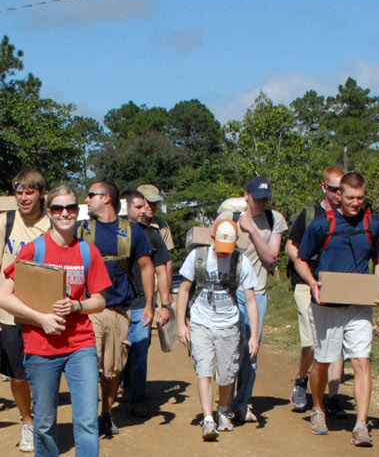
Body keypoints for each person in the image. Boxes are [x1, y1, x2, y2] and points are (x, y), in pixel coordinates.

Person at [0, 185, 112, 457]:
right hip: (41, 347)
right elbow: (3, 296)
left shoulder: (88, 251)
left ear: (78, 211)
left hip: (80, 344)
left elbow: (100, 299)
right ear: (49, 211)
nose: (64, 214)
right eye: (58, 208)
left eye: (70, 208)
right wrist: (40, 318)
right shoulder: (34, 249)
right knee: (45, 422)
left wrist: (77, 305)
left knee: (86, 422)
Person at [295, 172, 379, 446]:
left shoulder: (374, 225)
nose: (355, 203)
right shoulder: (322, 224)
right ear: (339, 195)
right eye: (350, 198)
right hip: (327, 305)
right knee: (323, 361)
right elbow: (301, 258)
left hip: (359, 306)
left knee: (361, 361)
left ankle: (361, 425)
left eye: (360, 198)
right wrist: (312, 283)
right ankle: (318, 409)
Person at [0, 170, 52, 454]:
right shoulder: (5, 222)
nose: (24, 197)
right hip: (10, 315)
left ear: (41, 194)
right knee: (18, 375)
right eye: (19, 192)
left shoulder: (52, 223)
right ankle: (27, 422)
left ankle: (44, 422)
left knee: (45, 374)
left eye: (29, 192)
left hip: (44, 315)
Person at [79, 181, 152, 439]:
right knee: (89, 365)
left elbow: (146, 266)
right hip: (89, 309)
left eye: (91, 195)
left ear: (107, 198)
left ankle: (106, 413)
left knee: (112, 369)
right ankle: (88, 417)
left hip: (120, 309)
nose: (87, 200)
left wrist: (150, 304)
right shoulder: (81, 230)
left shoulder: (132, 231)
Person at [175, 219, 260, 440]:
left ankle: (222, 411)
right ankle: (208, 419)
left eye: (228, 249)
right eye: (220, 248)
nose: (223, 253)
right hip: (200, 322)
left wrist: (254, 336)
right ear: (212, 239)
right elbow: (183, 289)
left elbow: (251, 300)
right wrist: (181, 324)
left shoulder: (241, 262)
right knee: (204, 370)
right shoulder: (198, 257)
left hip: (229, 324)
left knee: (226, 374)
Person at [217, 177, 287, 425]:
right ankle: (225, 402)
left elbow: (270, 257)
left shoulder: (274, 219)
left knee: (251, 350)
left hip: (256, 292)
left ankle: (243, 402)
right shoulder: (230, 216)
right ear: (246, 195)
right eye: (257, 198)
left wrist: (252, 230)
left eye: (265, 199)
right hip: (229, 290)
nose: (261, 203)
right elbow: (218, 250)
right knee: (230, 348)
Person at [286, 166, 344, 412]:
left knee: (336, 341)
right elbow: (290, 247)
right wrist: (306, 269)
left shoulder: (349, 216)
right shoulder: (310, 215)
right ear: (323, 187)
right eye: (333, 189)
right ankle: (302, 379)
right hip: (305, 283)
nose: (338, 194)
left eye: (341, 189)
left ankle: (333, 396)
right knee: (311, 340)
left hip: (336, 283)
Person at [122, 189, 173, 415]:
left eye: (145, 207)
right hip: (115, 303)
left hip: (143, 302)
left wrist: (165, 304)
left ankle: (138, 398)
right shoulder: (109, 233)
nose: (144, 211)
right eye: (139, 207)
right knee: (116, 352)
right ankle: (120, 388)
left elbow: (162, 270)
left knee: (140, 348)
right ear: (125, 208)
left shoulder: (152, 235)